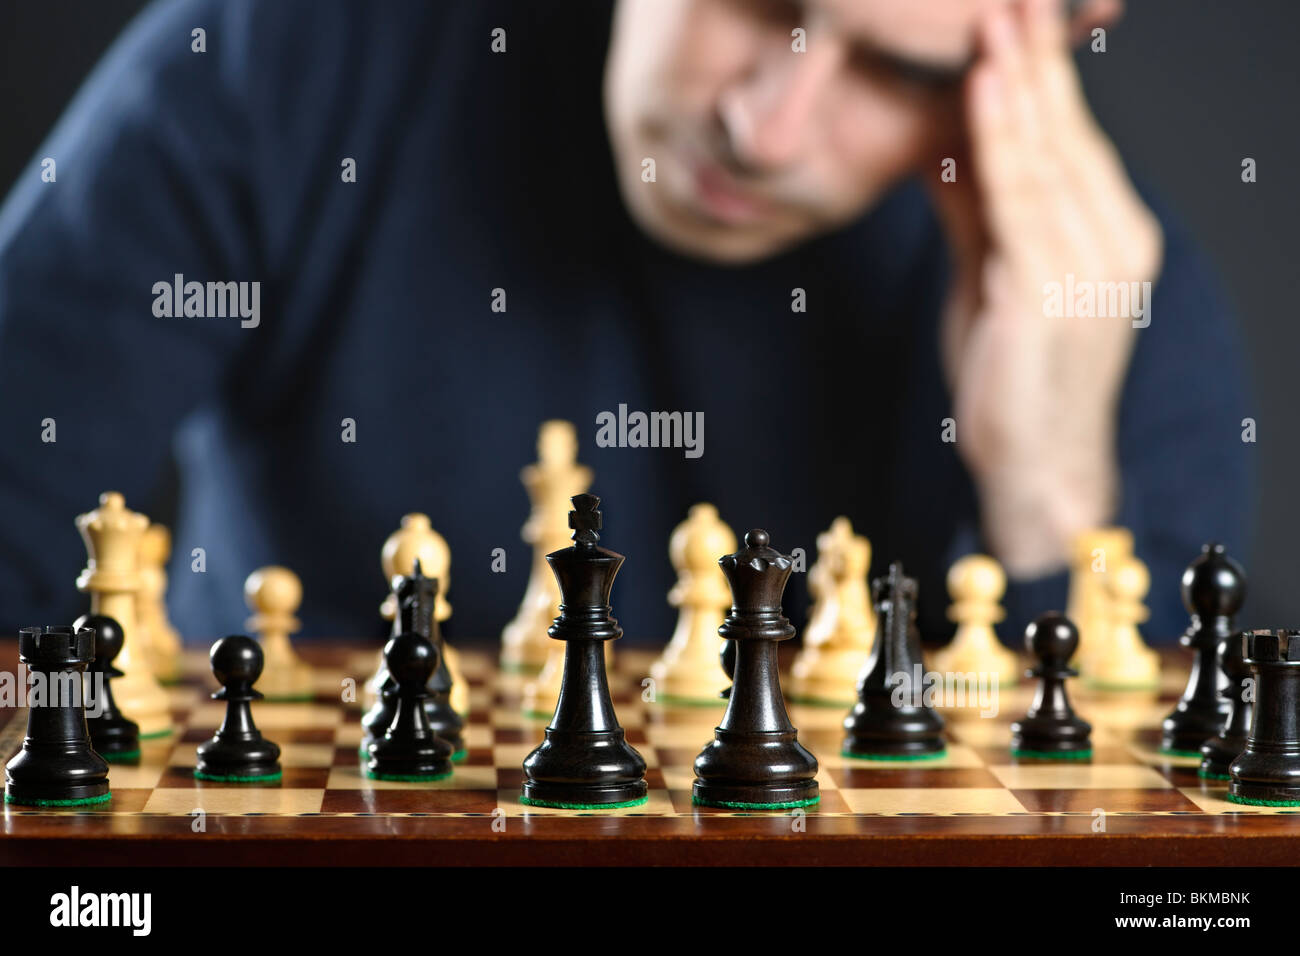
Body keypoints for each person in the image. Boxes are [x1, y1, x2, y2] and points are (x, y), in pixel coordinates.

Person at [0, 0, 1253, 646]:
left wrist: (1047, 486)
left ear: (1070, 23)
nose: (765, 127)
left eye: (895, 69)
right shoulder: (282, 53)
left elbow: (1129, 859)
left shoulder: (1095, 295)